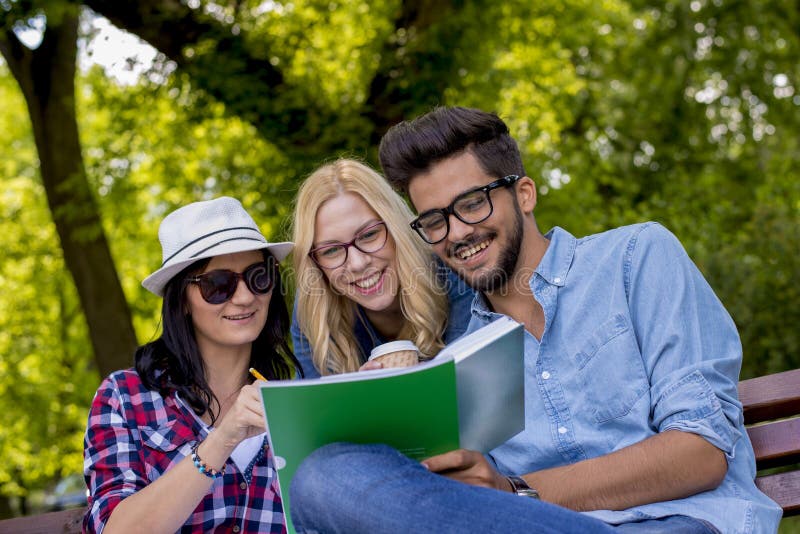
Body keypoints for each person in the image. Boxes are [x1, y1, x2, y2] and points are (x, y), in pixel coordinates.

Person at [288, 107, 783, 533]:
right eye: (436, 220)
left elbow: (701, 451)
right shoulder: (459, 353)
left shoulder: (634, 259)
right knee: (322, 477)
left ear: (523, 193)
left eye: (473, 203)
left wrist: (515, 491)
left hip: (681, 522)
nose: (458, 232)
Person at [83, 197, 302, 533]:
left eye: (259, 276)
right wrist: (224, 437)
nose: (244, 297)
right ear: (181, 301)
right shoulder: (125, 398)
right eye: (218, 284)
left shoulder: (298, 399)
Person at [290, 158, 473, 377]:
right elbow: (315, 408)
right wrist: (359, 397)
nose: (357, 263)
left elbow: (469, 392)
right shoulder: (314, 310)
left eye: (369, 235)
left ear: (397, 229)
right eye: (331, 250)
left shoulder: (452, 271)